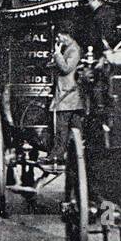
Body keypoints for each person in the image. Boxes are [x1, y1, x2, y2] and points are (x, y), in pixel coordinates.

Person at [50, 30, 85, 162]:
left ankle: (58, 154)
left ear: (67, 35)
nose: (58, 39)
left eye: (59, 35)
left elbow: (66, 68)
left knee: (62, 127)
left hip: (68, 94)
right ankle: (70, 155)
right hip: (69, 95)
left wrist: (57, 54)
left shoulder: (74, 50)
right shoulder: (70, 49)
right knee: (73, 127)